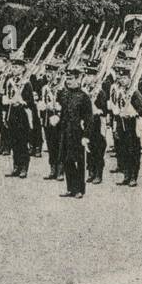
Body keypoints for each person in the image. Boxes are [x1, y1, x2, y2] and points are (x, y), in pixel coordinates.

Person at [55, 67, 94, 198]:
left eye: (71, 79)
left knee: (78, 161)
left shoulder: (83, 97)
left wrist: (86, 136)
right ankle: (70, 188)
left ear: (78, 80)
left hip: (77, 133)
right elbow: (61, 112)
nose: (68, 81)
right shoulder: (64, 95)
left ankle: (79, 189)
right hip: (65, 132)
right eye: (67, 79)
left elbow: (88, 118)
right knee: (66, 160)